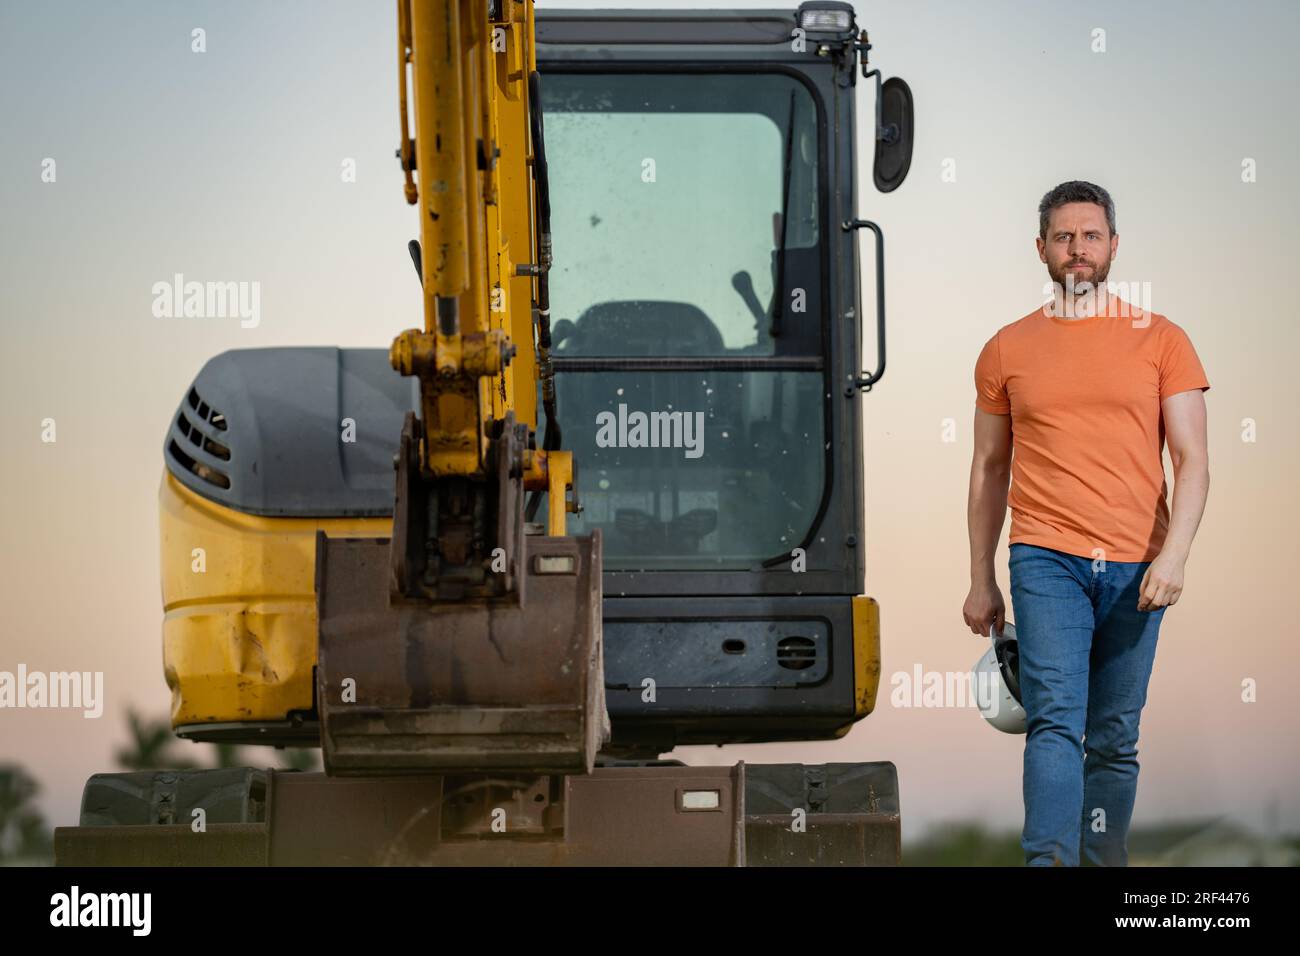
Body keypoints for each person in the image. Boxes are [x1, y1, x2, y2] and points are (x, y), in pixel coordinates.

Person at [962, 180, 1211, 866]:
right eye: (1064, 237)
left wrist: (1176, 555)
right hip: (1046, 557)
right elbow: (988, 469)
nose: (1078, 250)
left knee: (1114, 737)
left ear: (1113, 246)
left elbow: (1192, 460)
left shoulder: (1163, 341)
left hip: (1141, 563)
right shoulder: (1006, 349)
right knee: (1054, 723)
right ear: (1041, 247)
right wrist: (981, 579)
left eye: (1091, 236)